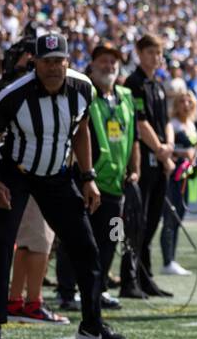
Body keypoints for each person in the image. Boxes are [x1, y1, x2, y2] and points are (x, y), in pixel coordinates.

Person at [0, 32, 125, 339]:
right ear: (35, 63)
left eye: (59, 61)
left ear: (67, 62)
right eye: (47, 61)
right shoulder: (15, 94)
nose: (54, 67)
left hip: (56, 175)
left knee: (86, 247)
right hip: (16, 172)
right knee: (4, 246)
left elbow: (82, 128)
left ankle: (91, 326)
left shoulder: (83, 88)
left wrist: (88, 176)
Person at [56, 42, 140, 312]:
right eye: (104, 61)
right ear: (92, 65)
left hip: (116, 183)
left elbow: (133, 137)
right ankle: (67, 291)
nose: (110, 66)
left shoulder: (125, 96)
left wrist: (134, 170)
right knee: (76, 237)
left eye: (114, 61)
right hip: (85, 180)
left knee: (110, 238)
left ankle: (99, 288)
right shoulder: (82, 92)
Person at [121, 35, 174, 298]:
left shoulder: (158, 85)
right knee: (135, 222)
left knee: (152, 220)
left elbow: (165, 121)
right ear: (139, 53)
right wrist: (162, 152)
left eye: (159, 52)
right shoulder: (134, 83)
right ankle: (128, 278)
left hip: (159, 160)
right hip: (142, 160)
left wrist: (168, 147)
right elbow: (140, 124)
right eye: (151, 52)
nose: (156, 57)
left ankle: (145, 276)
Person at [161, 91, 197, 276]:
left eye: (189, 101)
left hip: (187, 176)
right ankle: (167, 261)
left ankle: (173, 259)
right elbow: (169, 146)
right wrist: (183, 153)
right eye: (182, 101)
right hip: (174, 175)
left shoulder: (191, 125)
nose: (186, 104)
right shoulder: (172, 125)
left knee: (180, 215)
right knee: (171, 216)